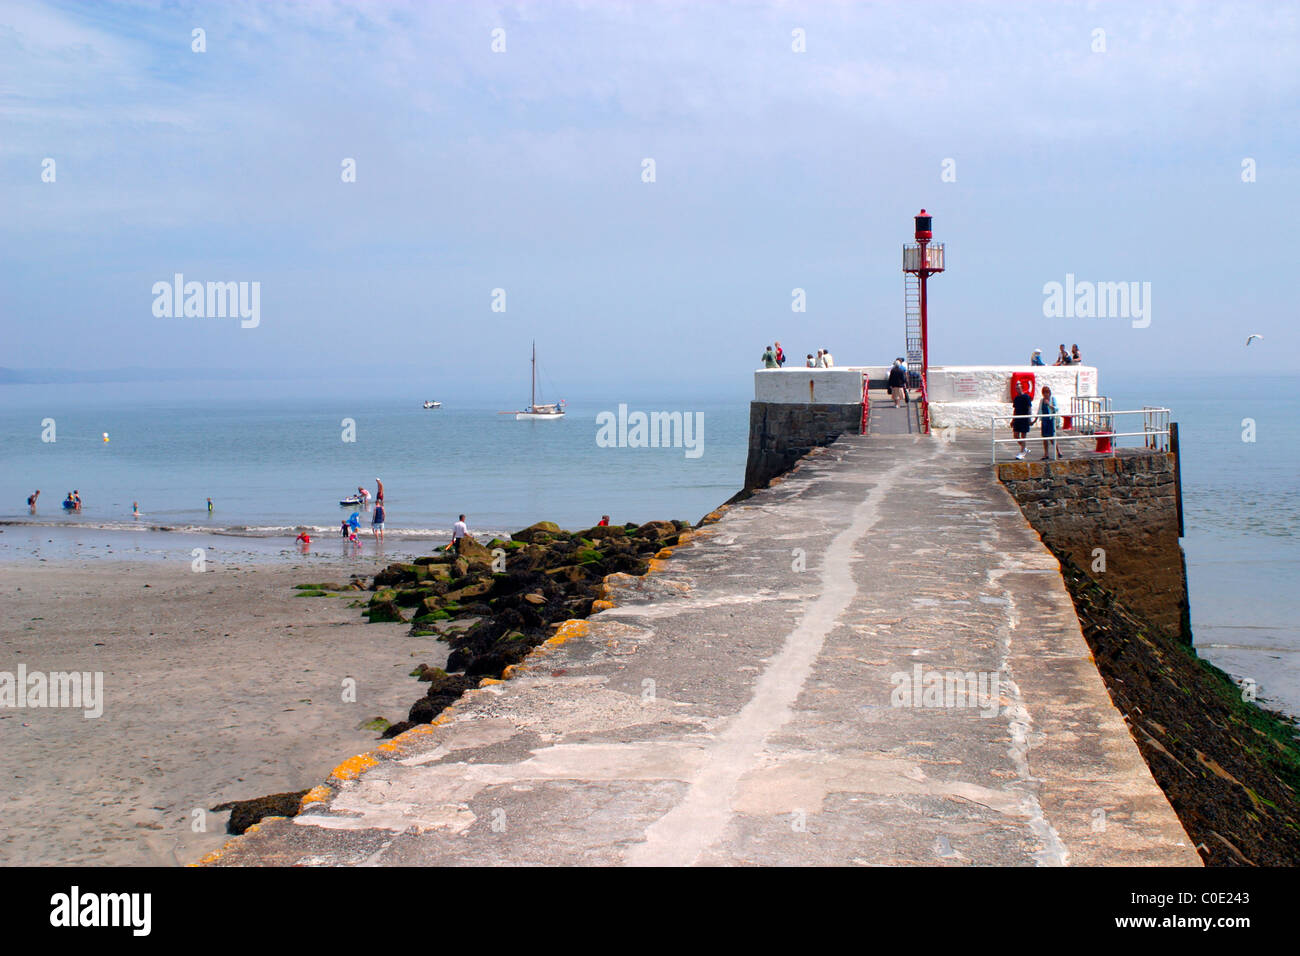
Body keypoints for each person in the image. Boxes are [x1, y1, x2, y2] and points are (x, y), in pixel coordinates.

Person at [1011, 381, 1034, 460]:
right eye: (1016, 389)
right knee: (1016, 435)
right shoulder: (1016, 398)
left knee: (1023, 436)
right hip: (1017, 419)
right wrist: (1013, 420)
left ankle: (1022, 452)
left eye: (1019, 388)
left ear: (1022, 388)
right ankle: (1024, 448)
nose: (1018, 390)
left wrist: (1029, 419)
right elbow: (1015, 409)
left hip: (1024, 419)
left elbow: (1029, 408)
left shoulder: (1026, 397)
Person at [1039, 386, 1060, 460]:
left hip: (1051, 420)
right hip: (1044, 420)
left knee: (1051, 437)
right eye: (1044, 392)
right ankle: (1046, 454)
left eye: (1046, 392)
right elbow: (1039, 411)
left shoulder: (1052, 399)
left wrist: (1049, 405)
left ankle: (1058, 451)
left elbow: (1056, 408)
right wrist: (1035, 420)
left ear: (1049, 393)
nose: (1045, 394)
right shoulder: (1042, 401)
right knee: (1045, 438)